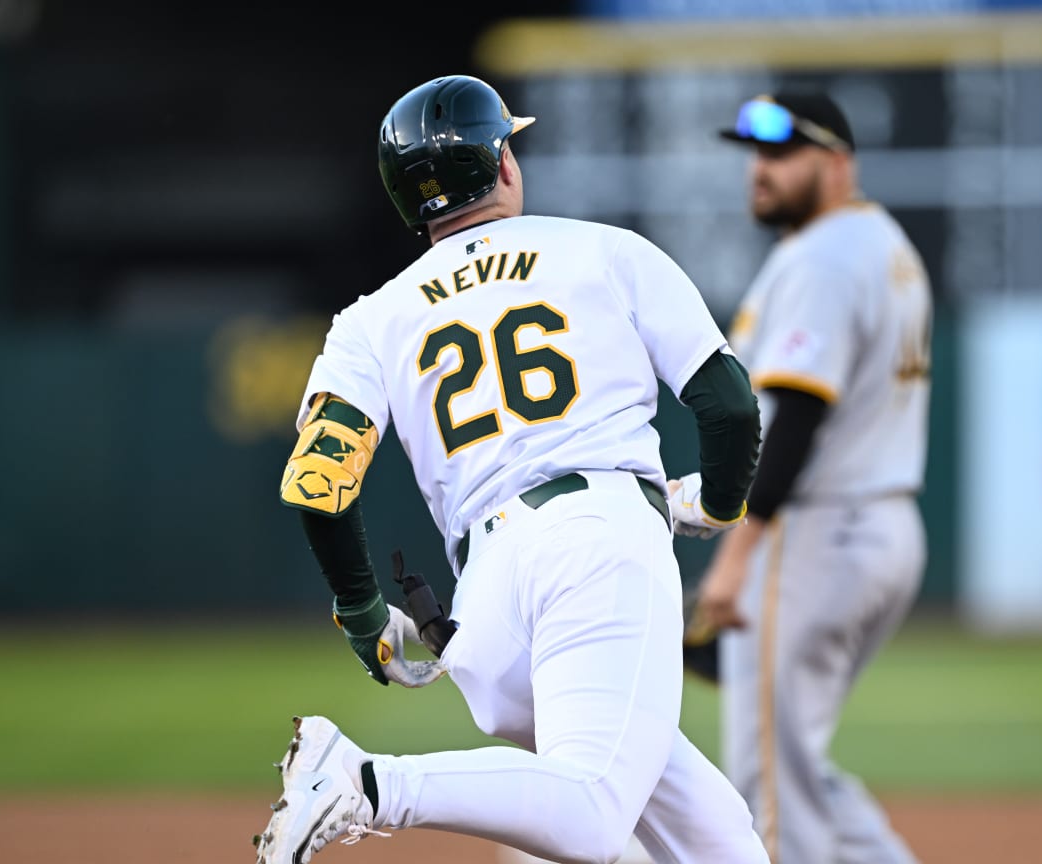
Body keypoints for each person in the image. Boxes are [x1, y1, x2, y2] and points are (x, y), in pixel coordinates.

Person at [253, 74, 771, 864]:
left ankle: (368, 781)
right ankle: (365, 781)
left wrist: (362, 614)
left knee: (719, 844)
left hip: (486, 602)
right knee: (595, 813)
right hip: (597, 546)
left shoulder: (369, 320)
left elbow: (318, 485)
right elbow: (730, 408)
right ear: (501, 164)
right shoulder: (605, 250)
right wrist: (723, 504)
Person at [692, 90, 933, 864]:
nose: (760, 171)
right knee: (794, 766)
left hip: (817, 534)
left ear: (838, 163)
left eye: (782, 153)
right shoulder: (882, 242)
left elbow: (794, 416)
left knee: (767, 787)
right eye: (756, 155)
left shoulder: (824, 256)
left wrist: (733, 562)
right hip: (883, 527)